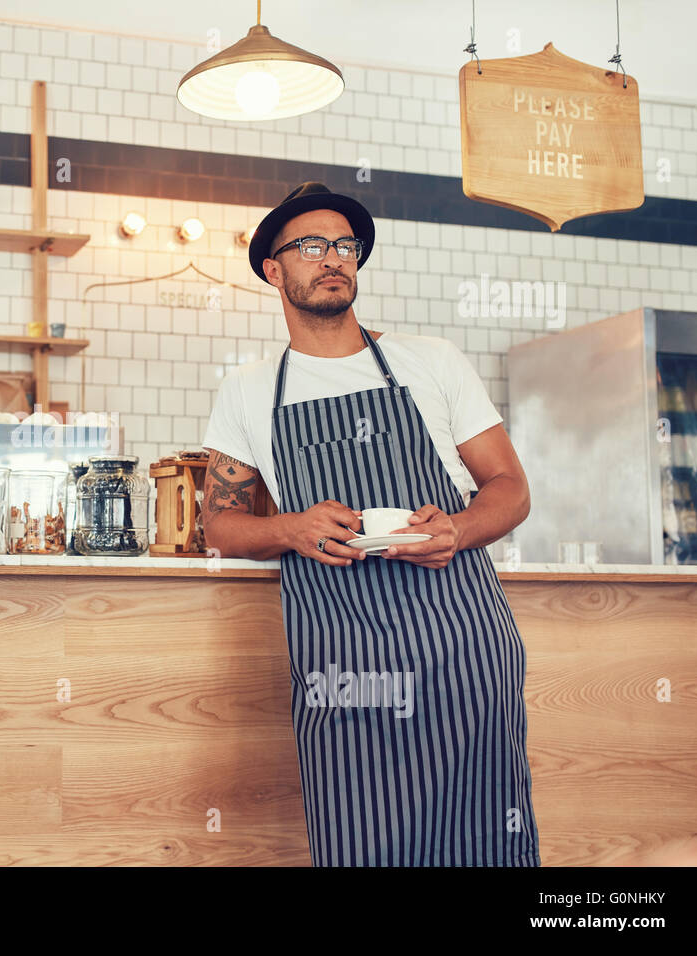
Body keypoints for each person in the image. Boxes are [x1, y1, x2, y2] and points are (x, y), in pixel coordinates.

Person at [201, 182, 540, 866]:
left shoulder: (431, 361)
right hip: (343, 662)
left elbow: (511, 488)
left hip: (459, 645)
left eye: (345, 246)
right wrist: (291, 529)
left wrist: (459, 530)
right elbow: (219, 525)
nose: (333, 258)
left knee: (482, 840)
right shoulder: (249, 389)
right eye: (311, 246)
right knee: (361, 837)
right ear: (274, 269)